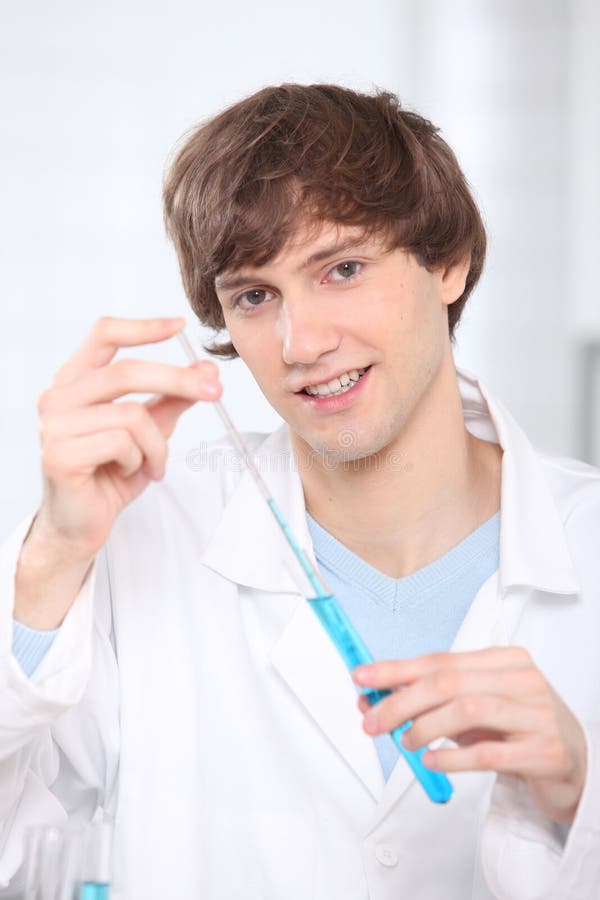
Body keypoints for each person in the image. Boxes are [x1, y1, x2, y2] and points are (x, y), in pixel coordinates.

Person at [1, 84, 599, 900]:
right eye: (255, 295)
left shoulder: (587, 540)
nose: (302, 343)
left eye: (343, 269)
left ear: (448, 263)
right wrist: (49, 565)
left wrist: (579, 797)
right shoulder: (144, 537)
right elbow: (22, 855)